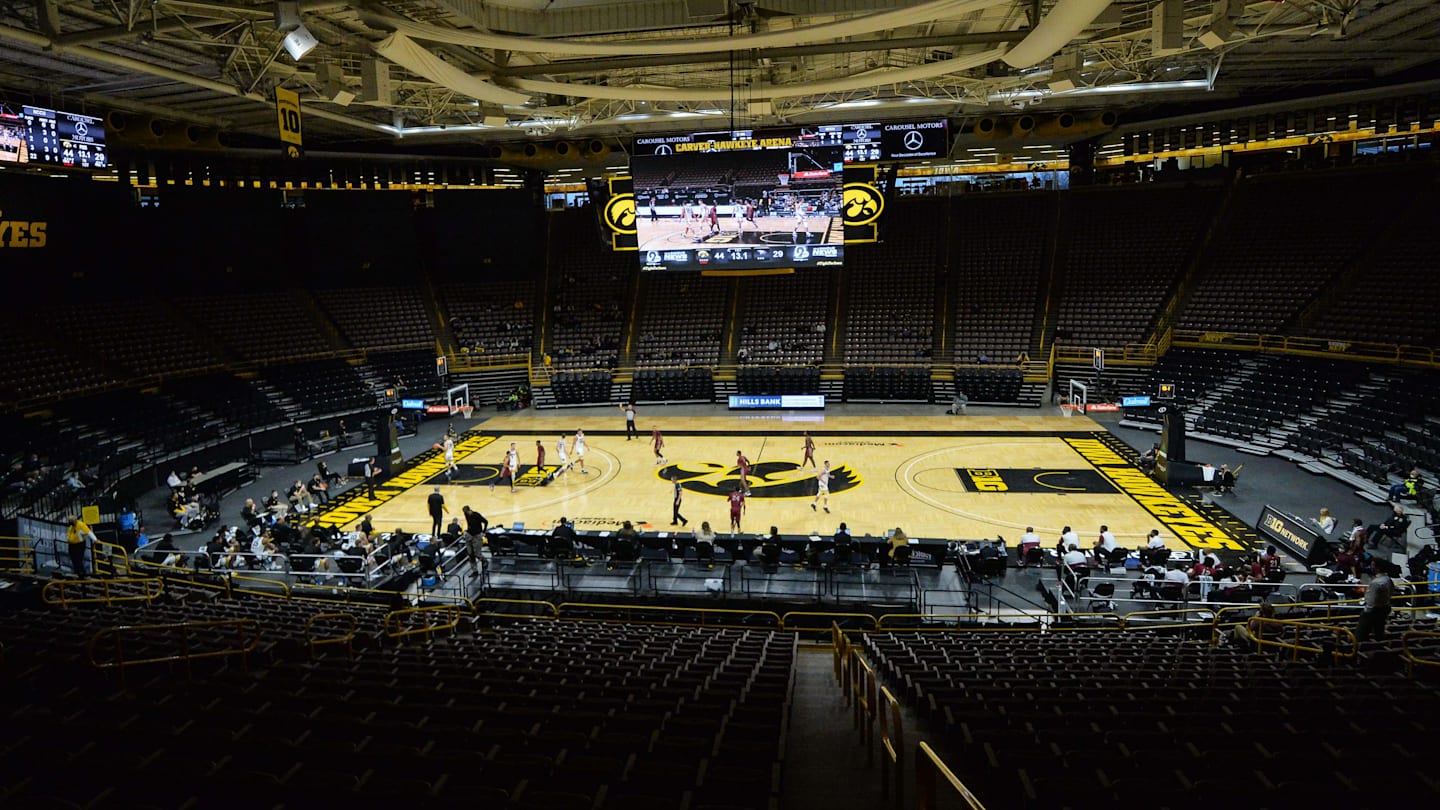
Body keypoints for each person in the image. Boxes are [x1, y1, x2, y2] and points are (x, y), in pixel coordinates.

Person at [1356, 565, 1395, 641]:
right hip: (1384, 608)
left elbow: (1372, 600)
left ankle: (1360, 649)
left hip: (1373, 610)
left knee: (1361, 634)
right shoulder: (1388, 579)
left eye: (1373, 565)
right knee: (1379, 632)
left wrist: (1366, 611)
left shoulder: (1376, 583)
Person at [461, 505, 488, 573]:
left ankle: (484, 560)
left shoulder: (476, 515)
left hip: (477, 535)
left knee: (477, 553)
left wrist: (483, 532)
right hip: (469, 534)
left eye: (466, 512)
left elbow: (486, 522)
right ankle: (474, 570)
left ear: (469, 510)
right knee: (470, 553)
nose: (465, 513)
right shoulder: (466, 514)